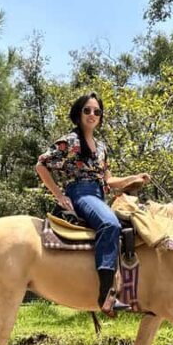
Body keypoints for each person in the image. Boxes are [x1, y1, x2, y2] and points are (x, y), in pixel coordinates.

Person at [35, 91, 150, 315]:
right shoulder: (70, 141)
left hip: (98, 195)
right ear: (78, 114)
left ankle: (133, 287)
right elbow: (41, 164)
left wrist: (133, 179)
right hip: (80, 193)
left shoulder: (101, 147)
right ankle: (106, 294)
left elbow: (108, 180)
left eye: (97, 111)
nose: (92, 114)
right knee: (110, 224)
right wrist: (59, 195)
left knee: (133, 224)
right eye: (87, 110)